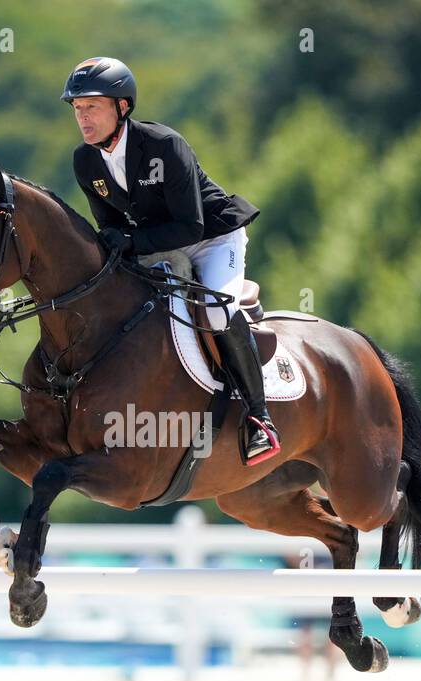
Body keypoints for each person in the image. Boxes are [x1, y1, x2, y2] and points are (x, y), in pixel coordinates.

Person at [63, 56, 281, 465]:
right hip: (157, 244)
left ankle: (260, 418)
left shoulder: (164, 146)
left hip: (212, 238)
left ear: (122, 107)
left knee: (217, 312)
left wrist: (129, 242)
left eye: (92, 106)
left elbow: (189, 228)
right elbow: (112, 228)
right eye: (77, 108)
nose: (83, 117)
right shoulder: (85, 161)